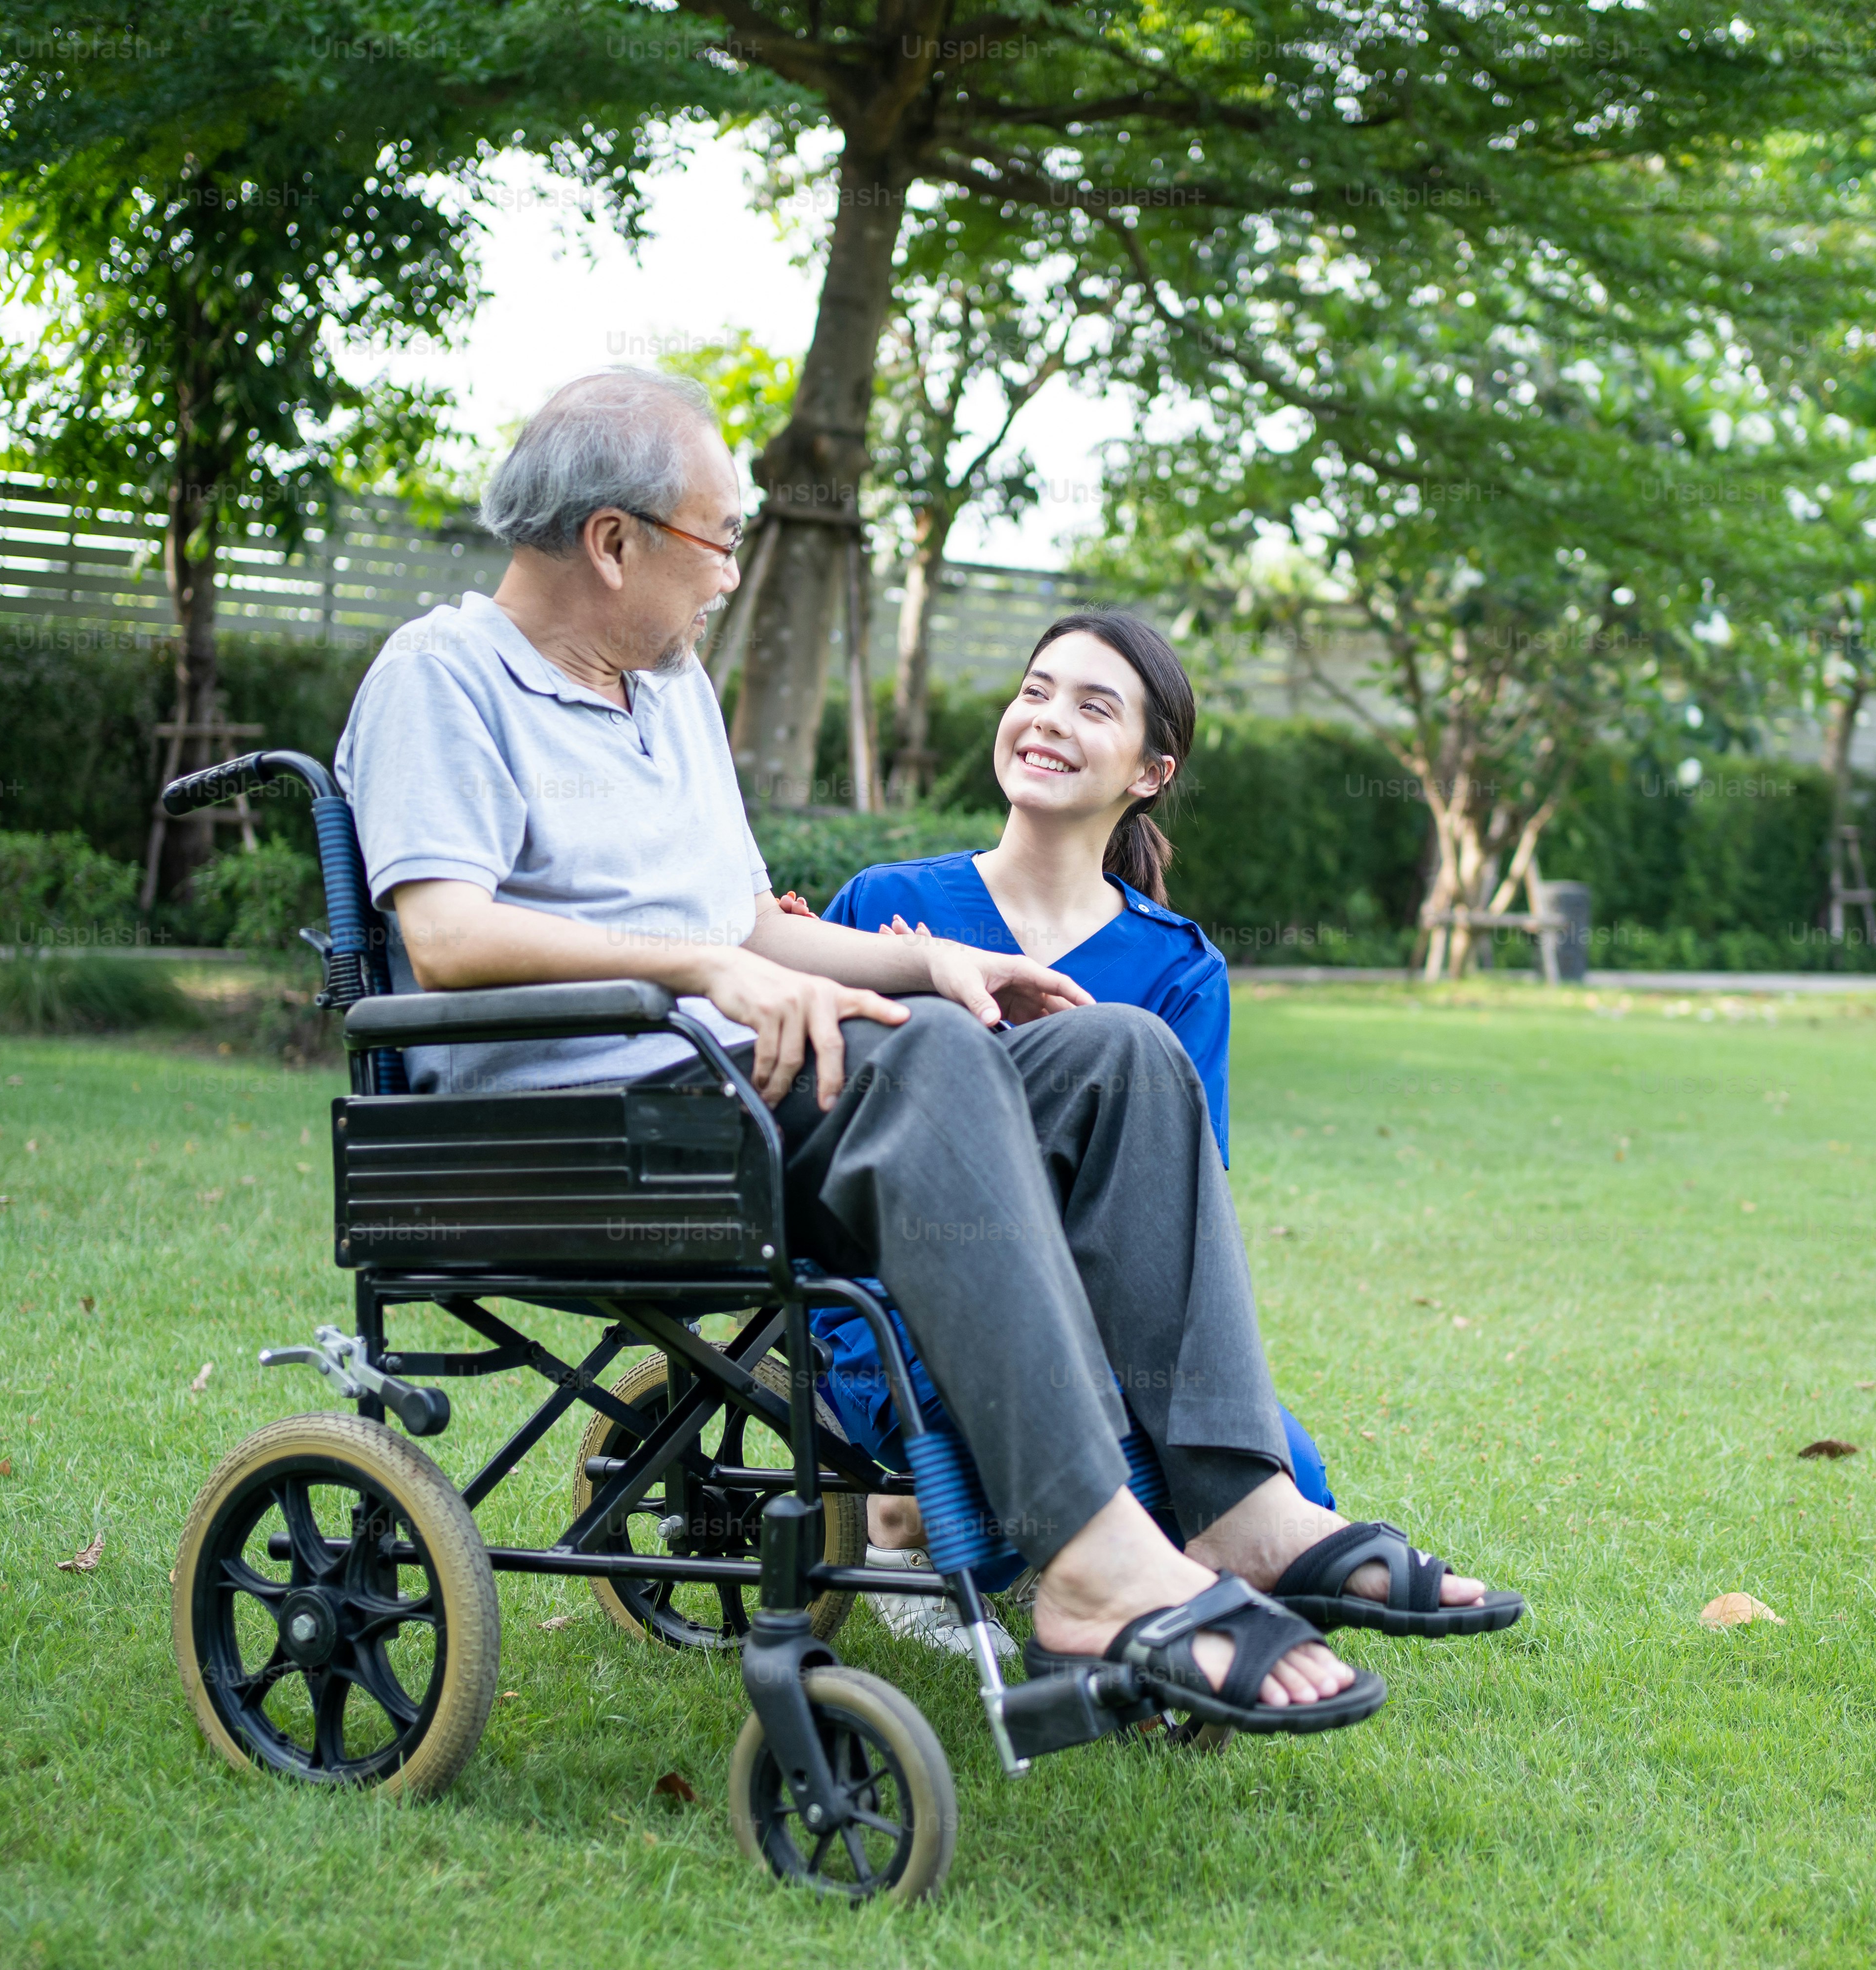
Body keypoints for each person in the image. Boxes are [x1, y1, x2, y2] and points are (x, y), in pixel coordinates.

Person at [334, 368, 1517, 1733]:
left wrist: (932, 963)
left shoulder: (667, 695)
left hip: (736, 1098)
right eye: (721, 543)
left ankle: (1243, 1506)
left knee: (1120, 1054)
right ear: (615, 541)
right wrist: (707, 968)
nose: (729, 577)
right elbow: (455, 936)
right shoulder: (444, 675)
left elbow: (745, 926)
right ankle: (1092, 1567)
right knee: (931, 1058)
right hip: (586, 1131)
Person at [801, 614, 1340, 1651]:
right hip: (903, 1302)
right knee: (1033, 1467)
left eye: (1095, 707)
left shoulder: (1178, 967)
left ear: (1149, 769)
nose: (1048, 720)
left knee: (1291, 1478)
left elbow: (1162, 1218)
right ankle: (902, 1526)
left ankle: (1097, 1558)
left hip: (1096, 1320)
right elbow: (825, 1136)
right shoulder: (886, 905)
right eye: (1036, 689)